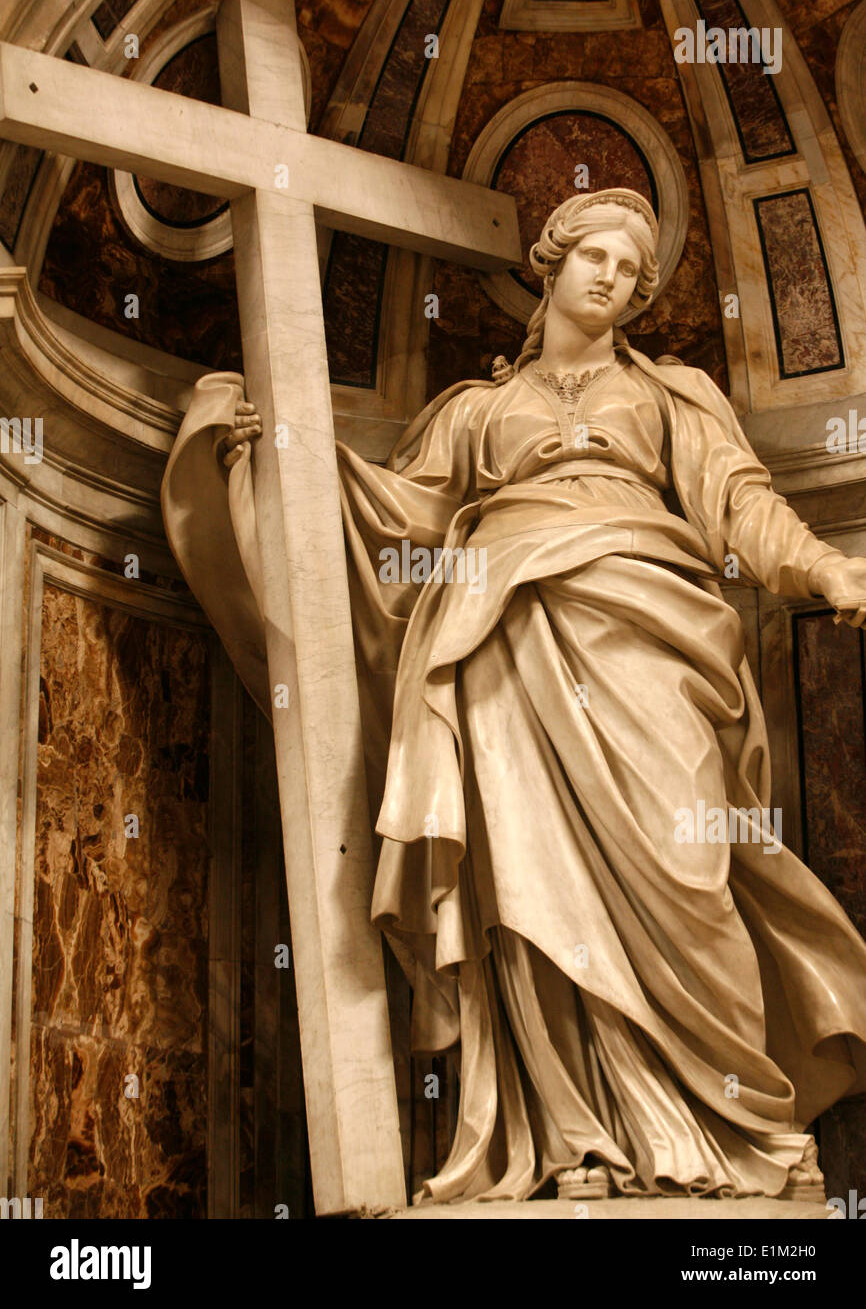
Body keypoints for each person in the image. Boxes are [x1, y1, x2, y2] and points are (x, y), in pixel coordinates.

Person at [165, 188, 866, 1203]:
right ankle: (572, 1133)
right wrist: (278, 453)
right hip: (497, 637)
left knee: (684, 865)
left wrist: (825, 571)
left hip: (647, 636)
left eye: (629, 273)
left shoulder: (674, 396)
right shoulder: (475, 411)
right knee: (525, 883)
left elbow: (741, 505)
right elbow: (392, 520)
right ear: (551, 261)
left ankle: (732, 1125)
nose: (609, 280)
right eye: (593, 257)